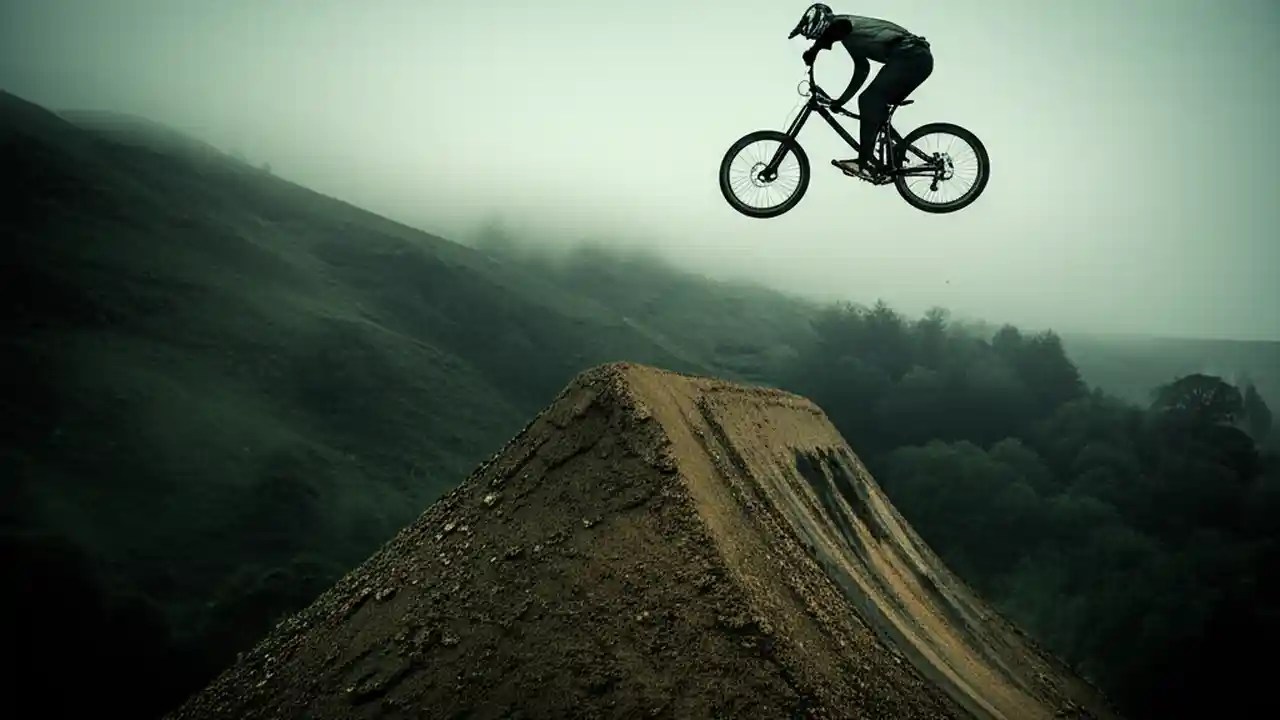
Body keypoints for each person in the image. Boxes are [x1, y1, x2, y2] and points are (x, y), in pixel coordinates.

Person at [788, 3, 934, 180]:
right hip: (917, 60)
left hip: (911, 55)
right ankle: (892, 155)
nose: (813, 38)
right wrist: (840, 101)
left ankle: (864, 162)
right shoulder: (851, 40)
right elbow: (862, 70)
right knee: (875, 106)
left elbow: (837, 30)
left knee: (868, 100)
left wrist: (814, 50)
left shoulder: (842, 23)